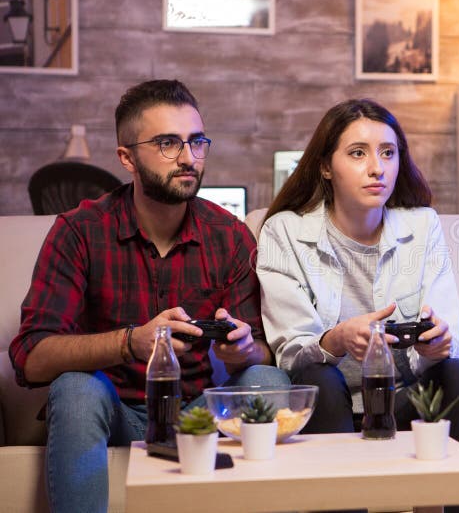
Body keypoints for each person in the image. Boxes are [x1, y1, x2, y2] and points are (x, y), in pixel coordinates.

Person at [9, 79, 290, 513]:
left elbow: (262, 352)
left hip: (200, 411)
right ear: (127, 158)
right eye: (167, 143)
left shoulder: (230, 236)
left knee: (268, 381)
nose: (188, 158)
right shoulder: (80, 231)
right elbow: (30, 357)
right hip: (114, 410)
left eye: (197, 142)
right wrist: (130, 342)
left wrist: (244, 352)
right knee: (76, 390)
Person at [256, 99, 459, 458]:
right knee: (320, 378)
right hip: (331, 405)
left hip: (404, 402)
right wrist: (336, 339)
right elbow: (290, 354)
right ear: (326, 167)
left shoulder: (423, 225)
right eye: (358, 153)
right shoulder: (283, 231)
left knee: (458, 372)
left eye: (388, 153)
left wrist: (435, 347)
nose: (377, 168)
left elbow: (449, 337)